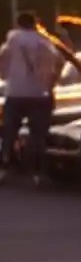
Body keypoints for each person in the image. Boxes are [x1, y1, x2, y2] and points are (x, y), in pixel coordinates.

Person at [0, 12, 65, 184]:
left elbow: (2, 62)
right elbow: (60, 61)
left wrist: (8, 76)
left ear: (18, 23)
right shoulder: (44, 40)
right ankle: (38, 172)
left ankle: (7, 167)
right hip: (40, 94)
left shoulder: (12, 39)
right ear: (36, 23)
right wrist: (52, 81)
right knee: (38, 135)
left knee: (9, 132)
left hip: (15, 93)